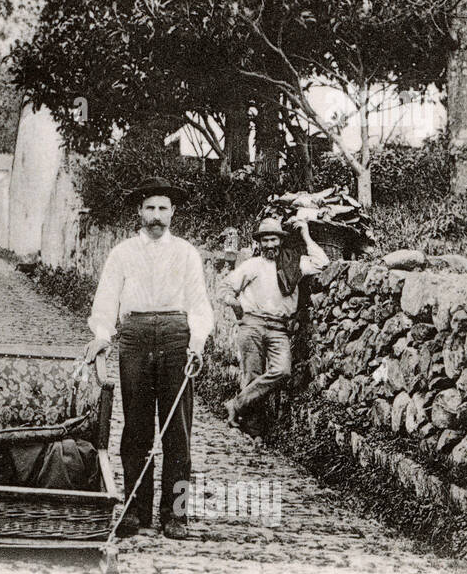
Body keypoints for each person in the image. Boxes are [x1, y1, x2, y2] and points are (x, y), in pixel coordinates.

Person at [84, 177, 213, 540]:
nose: (156, 215)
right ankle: (135, 510)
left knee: (179, 432)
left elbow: (199, 304)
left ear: (173, 212)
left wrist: (197, 343)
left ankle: (177, 514)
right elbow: (107, 299)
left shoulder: (187, 253)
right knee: (136, 428)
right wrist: (102, 336)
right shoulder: (122, 252)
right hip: (136, 336)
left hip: (176, 335)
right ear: (139, 212)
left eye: (163, 208)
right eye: (150, 208)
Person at [221, 217, 328, 431]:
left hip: (279, 327)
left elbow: (322, 262)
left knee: (282, 370)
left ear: (281, 240)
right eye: (265, 240)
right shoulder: (251, 265)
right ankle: (253, 431)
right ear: (259, 243)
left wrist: (306, 234)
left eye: (274, 240)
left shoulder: (294, 262)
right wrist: (236, 306)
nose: (270, 245)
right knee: (252, 376)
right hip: (252, 324)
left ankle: (236, 404)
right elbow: (226, 288)